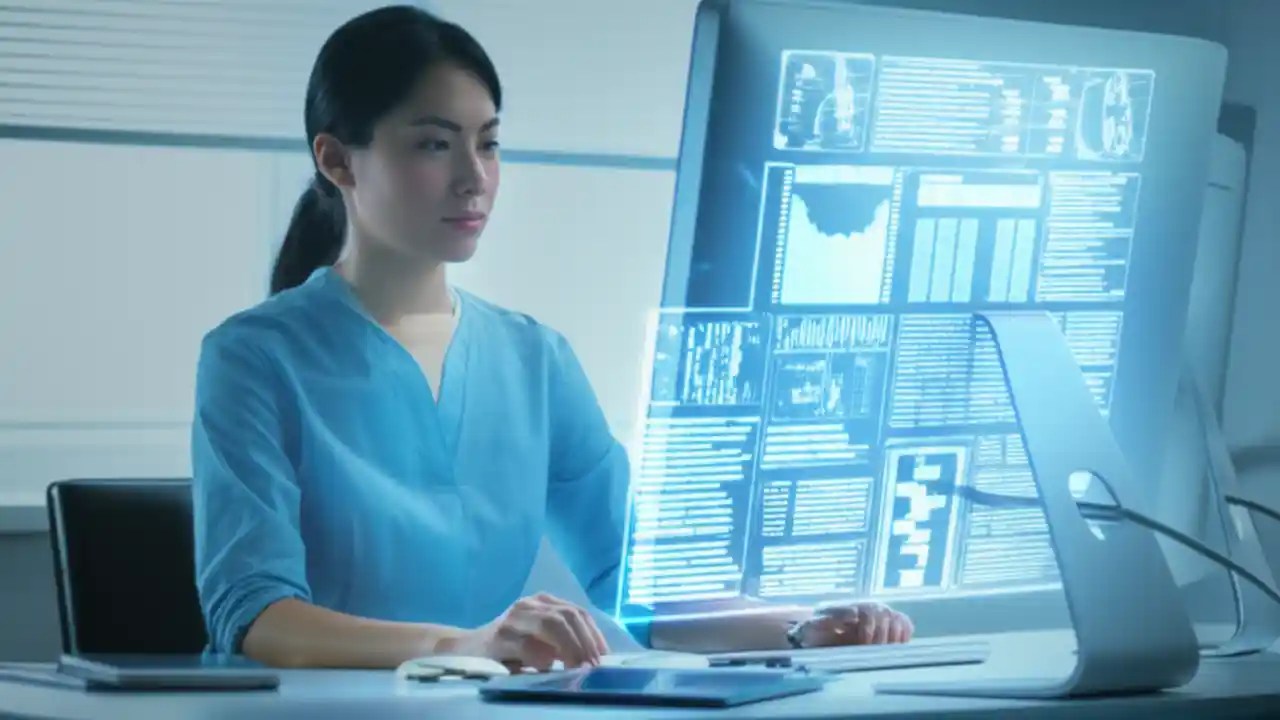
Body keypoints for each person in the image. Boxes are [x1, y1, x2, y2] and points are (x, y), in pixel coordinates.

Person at [191, 4, 914, 671]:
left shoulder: (534, 359)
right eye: (435, 145)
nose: (475, 179)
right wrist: (465, 646)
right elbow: (254, 615)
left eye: (490, 144)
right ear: (338, 160)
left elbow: (629, 579)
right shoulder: (253, 357)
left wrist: (799, 628)